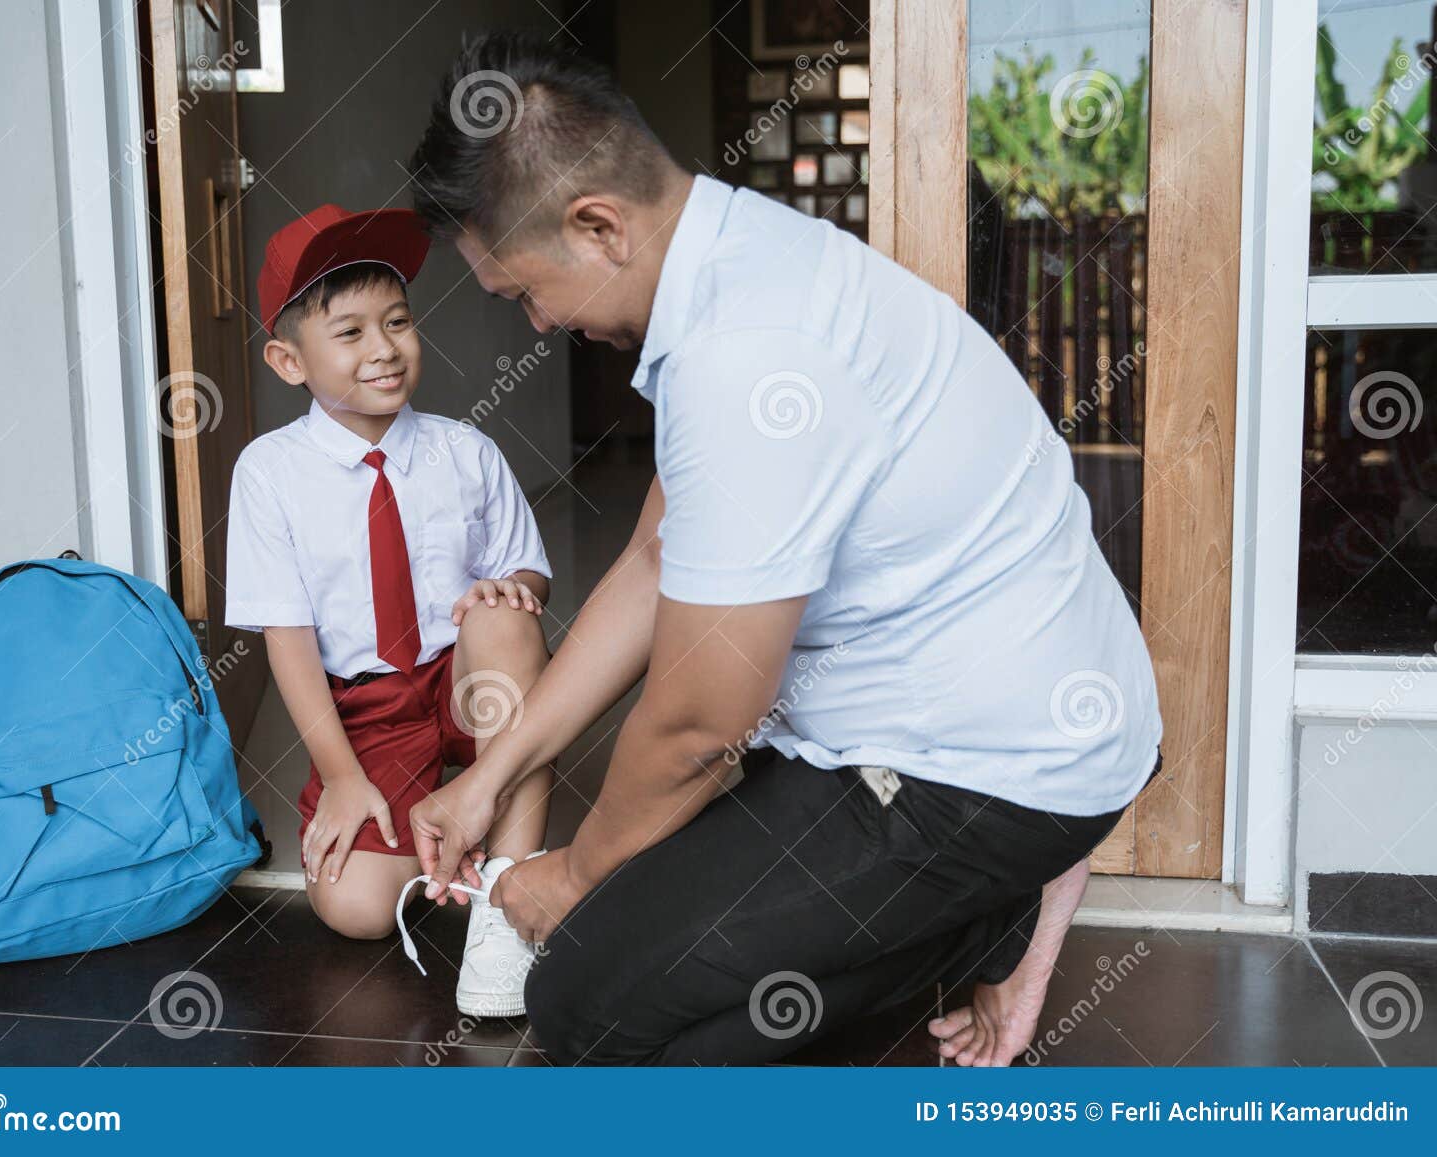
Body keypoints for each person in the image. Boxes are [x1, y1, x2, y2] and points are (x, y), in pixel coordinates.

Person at [404, 32, 1165, 1066]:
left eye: (523, 291)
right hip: (942, 716)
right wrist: (495, 775)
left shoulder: (745, 352)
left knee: (589, 995)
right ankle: (957, 906)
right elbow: (653, 563)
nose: (537, 323)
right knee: (635, 937)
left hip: (988, 771)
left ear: (597, 227)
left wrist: (571, 878)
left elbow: (697, 724)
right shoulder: (737, 256)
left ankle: (986, 909)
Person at [224, 203, 554, 1017]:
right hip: (369, 706)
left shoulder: (464, 450)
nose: (384, 349)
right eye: (350, 333)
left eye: (398, 322)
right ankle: (450, 830)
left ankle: (508, 895)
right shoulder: (270, 473)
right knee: (358, 910)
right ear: (288, 359)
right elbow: (289, 641)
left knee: (503, 619)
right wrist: (340, 777)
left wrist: (507, 590)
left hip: (461, 680)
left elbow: (530, 574)